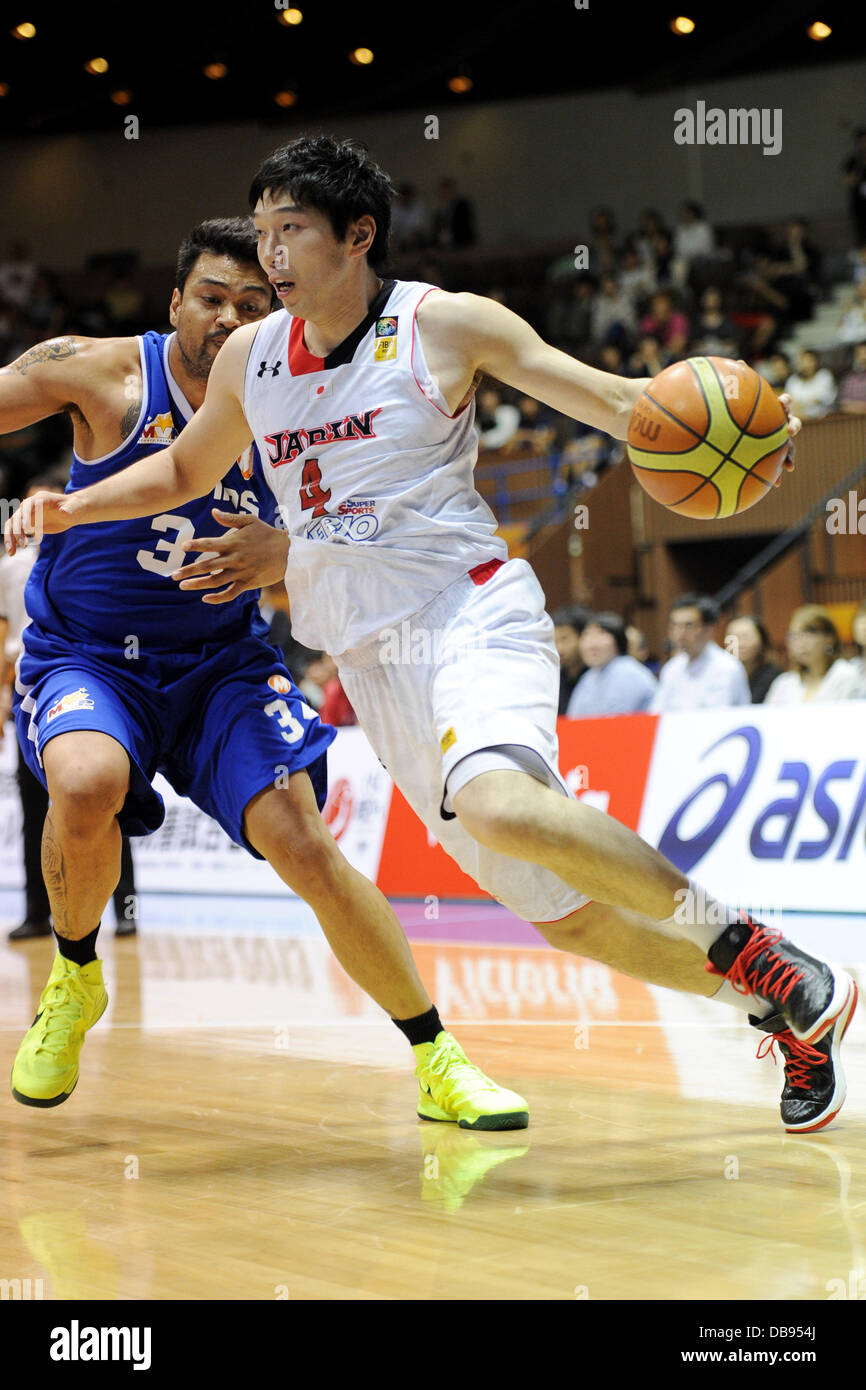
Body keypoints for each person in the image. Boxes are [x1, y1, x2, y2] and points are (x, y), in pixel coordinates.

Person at [9, 134, 855, 1138]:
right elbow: (187, 471)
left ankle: (763, 955)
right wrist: (77, 504)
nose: (271, 256)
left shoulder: (441, 325)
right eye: (264, 231)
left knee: (498, 803)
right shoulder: (253, 356)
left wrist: (761, 420)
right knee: (564, 916)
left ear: (357, 235)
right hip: (373, 662)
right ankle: (783, 1006)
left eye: (292, 232)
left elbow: (619, 401)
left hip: (466, 611)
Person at [0, 216, 522, 1128]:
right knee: (85, 780)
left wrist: (289, 554)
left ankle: (437, 1055)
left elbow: (365, 529)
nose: (230, 318)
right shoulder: (101, 370)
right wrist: (41, 507)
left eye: (253, 303)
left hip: (221, 665)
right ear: (175, 302)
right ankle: (76, 977)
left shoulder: (299, 397)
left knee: (303, 842)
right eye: (211, 298)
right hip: (89, 656)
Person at [0, 474, 139, 940]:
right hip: (31, 689)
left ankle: (125, 909)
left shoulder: (94, 554)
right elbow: (2, 638)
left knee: (106, 798)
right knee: (35, 803)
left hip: (92, 682)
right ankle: (38, 912)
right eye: (30, 507)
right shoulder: (12, 563)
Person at [652, 595, 751, 711]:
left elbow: (718, 718)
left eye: (689, 626)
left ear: (709, 629)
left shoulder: (727, 668)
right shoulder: (671, 668)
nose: (680, 633)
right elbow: (656, 712)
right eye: (675, 626)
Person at [765, 606, 865, 704]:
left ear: (830, 638)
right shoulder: (784, 682)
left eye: (809, 633)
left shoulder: (846, 675)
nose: (801, 643)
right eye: (794, 636)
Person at [565, 612, 657, 716]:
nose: (591, 644)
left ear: (618, 639)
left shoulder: (628, 672)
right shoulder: (589, 676)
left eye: (600, 634)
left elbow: (613, 722)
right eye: (586, 634)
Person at [724, 614, 782, 705]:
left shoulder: (774, 676)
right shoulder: (721, 674)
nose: (739, 644)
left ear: (762, 640)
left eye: (745, 637)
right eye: (732, 638)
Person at [551, 604, 589, 713]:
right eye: (554, 641)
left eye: (565, 639)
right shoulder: (555, 678)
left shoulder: (595, 676)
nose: (559, 648)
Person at [784, 349, 837, 420]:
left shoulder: (824, 375)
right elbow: (789, 401)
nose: (806, 365)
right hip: (797, 417)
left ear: (816, 361)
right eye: (802, 361)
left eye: (809, 361)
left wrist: (802, 406)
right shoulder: (793, 380)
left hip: (823, 418)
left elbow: (819, 399)